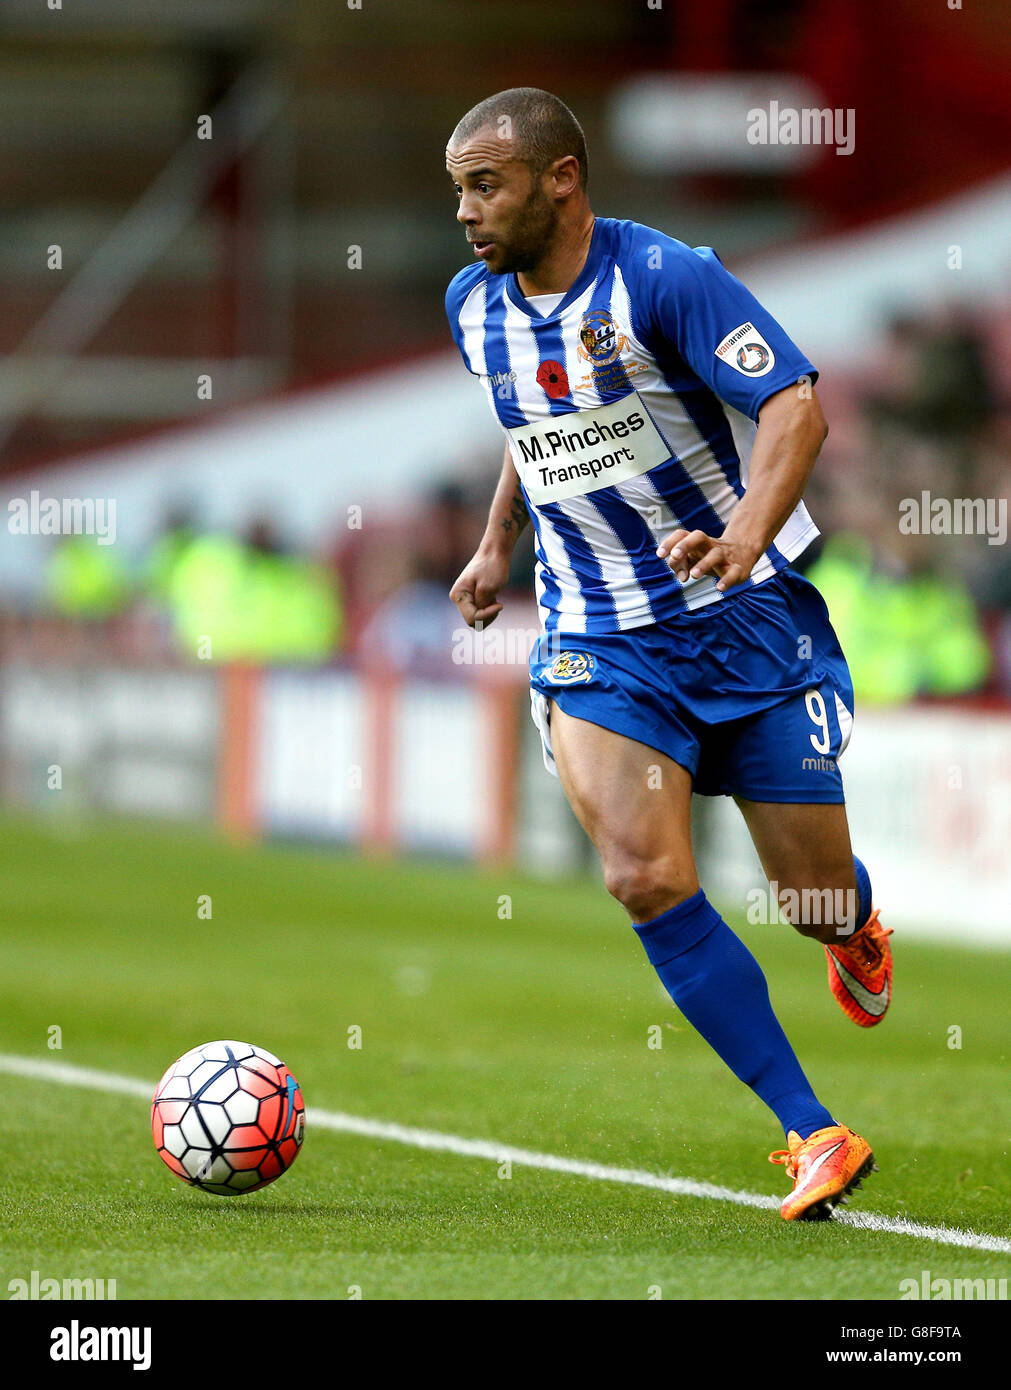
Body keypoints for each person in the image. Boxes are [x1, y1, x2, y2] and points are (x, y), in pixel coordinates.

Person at [444, 88, 892, 1222]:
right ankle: (812, 1130)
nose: (464, 211)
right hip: (600, 638)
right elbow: (527, 417)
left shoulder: (665, 278)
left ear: (560, 178)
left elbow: (794, 406)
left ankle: (854, 922)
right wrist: (499, 543)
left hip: (742, 621)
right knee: (643, 872)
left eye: (484, 183)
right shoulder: (472, 306)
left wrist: (742, 534)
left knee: (814, 901)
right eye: (456, 188)